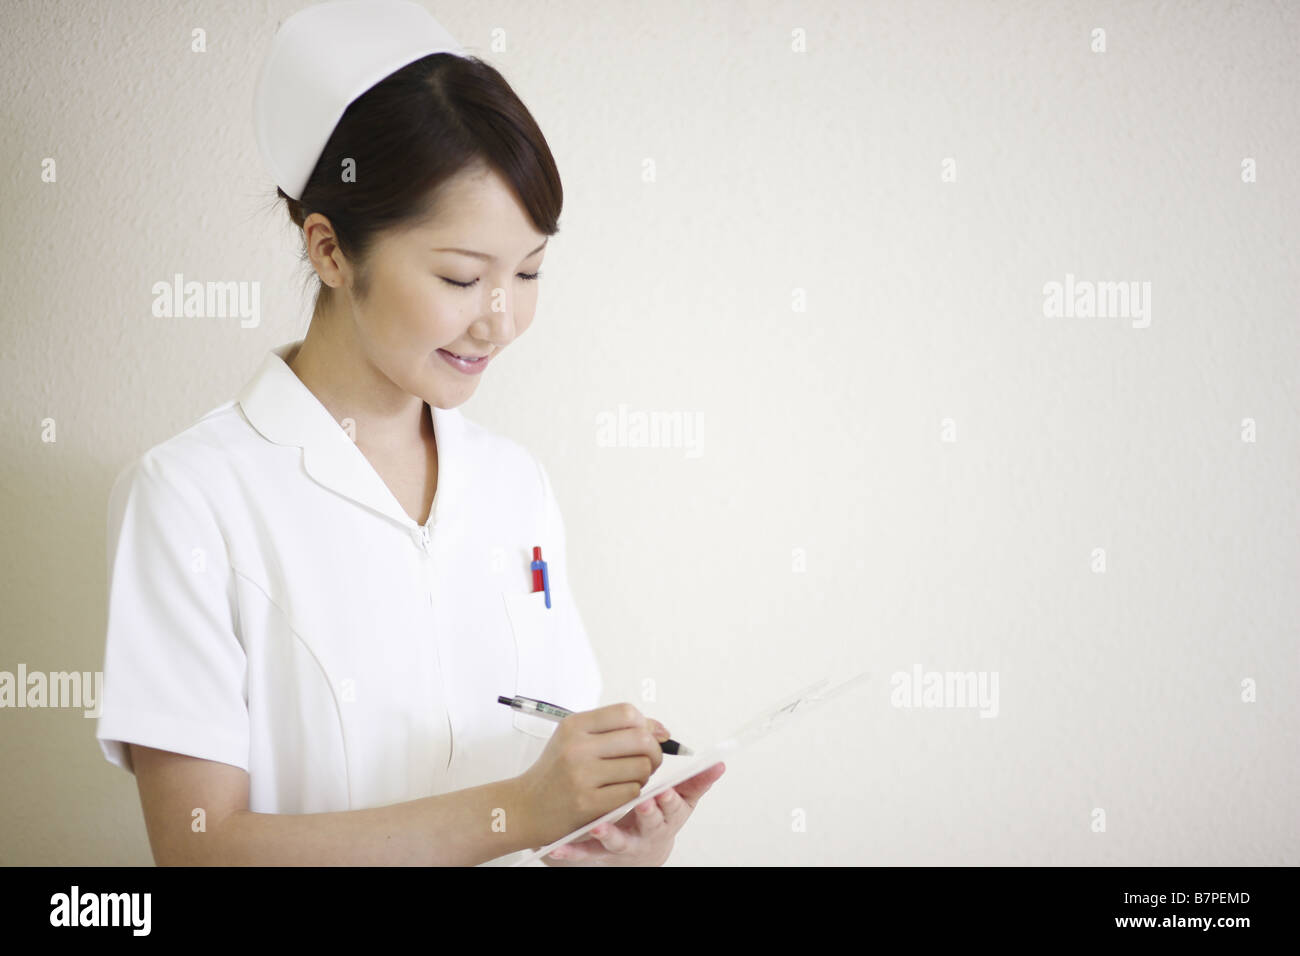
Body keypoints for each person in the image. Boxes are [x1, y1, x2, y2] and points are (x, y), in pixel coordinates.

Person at [95, 0, 724, 867]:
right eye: (462, 276)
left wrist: (610, 844)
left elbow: (554, 794)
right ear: (329, 250)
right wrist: (517, 811)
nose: (501, 321)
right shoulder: (191, 498)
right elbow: (198, 850)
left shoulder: (515, 485)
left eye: (530, 270)